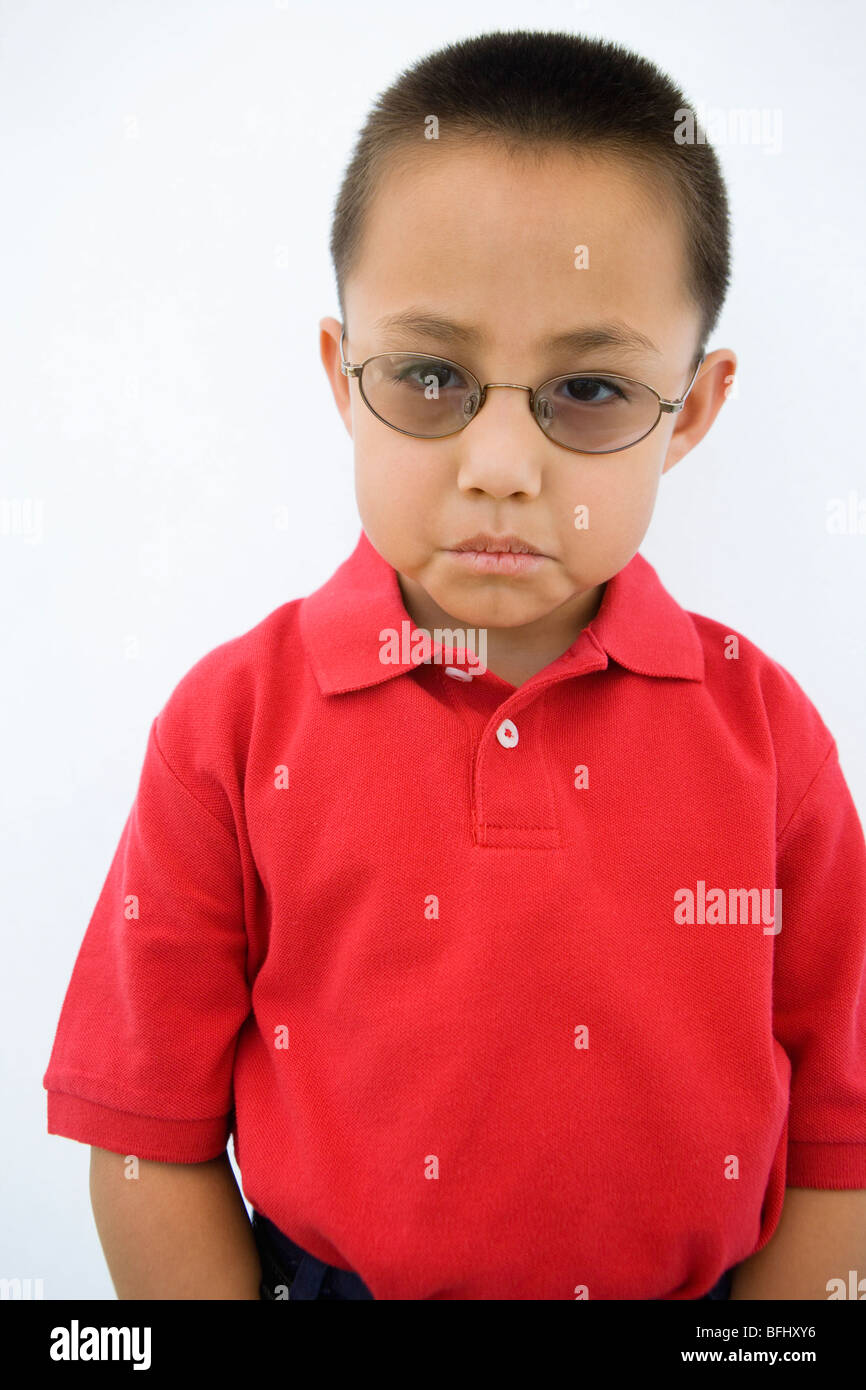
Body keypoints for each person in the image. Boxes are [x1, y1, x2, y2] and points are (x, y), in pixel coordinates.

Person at [44, 29, 866, 1301]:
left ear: (691, 411)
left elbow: (841, 1144)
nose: (498, 463)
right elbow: (142, 1131)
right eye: (429, 376)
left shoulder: (771, 742)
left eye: (587, 390)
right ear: (341, 375)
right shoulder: (228, 725)